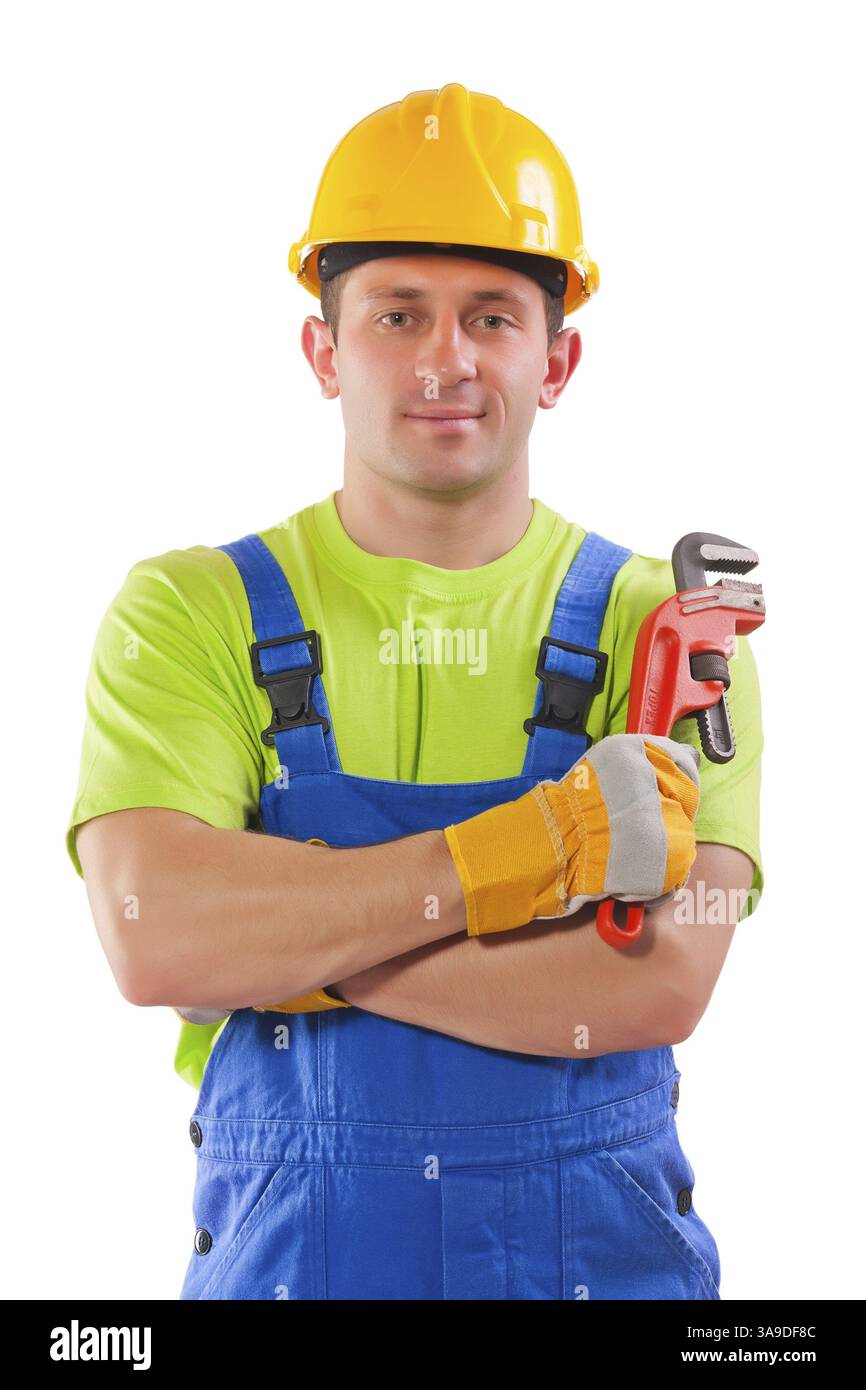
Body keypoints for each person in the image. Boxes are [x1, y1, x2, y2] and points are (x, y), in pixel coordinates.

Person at [67, 83, 763, 1301]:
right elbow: (153, 936)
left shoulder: (667, 630)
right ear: (321, 349)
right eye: (398, 313)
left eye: (491, 315)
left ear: (556, 360)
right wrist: (524, 857)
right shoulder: (188, 615)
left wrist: (293, 945)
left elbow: (659, 975)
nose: (445, 358)